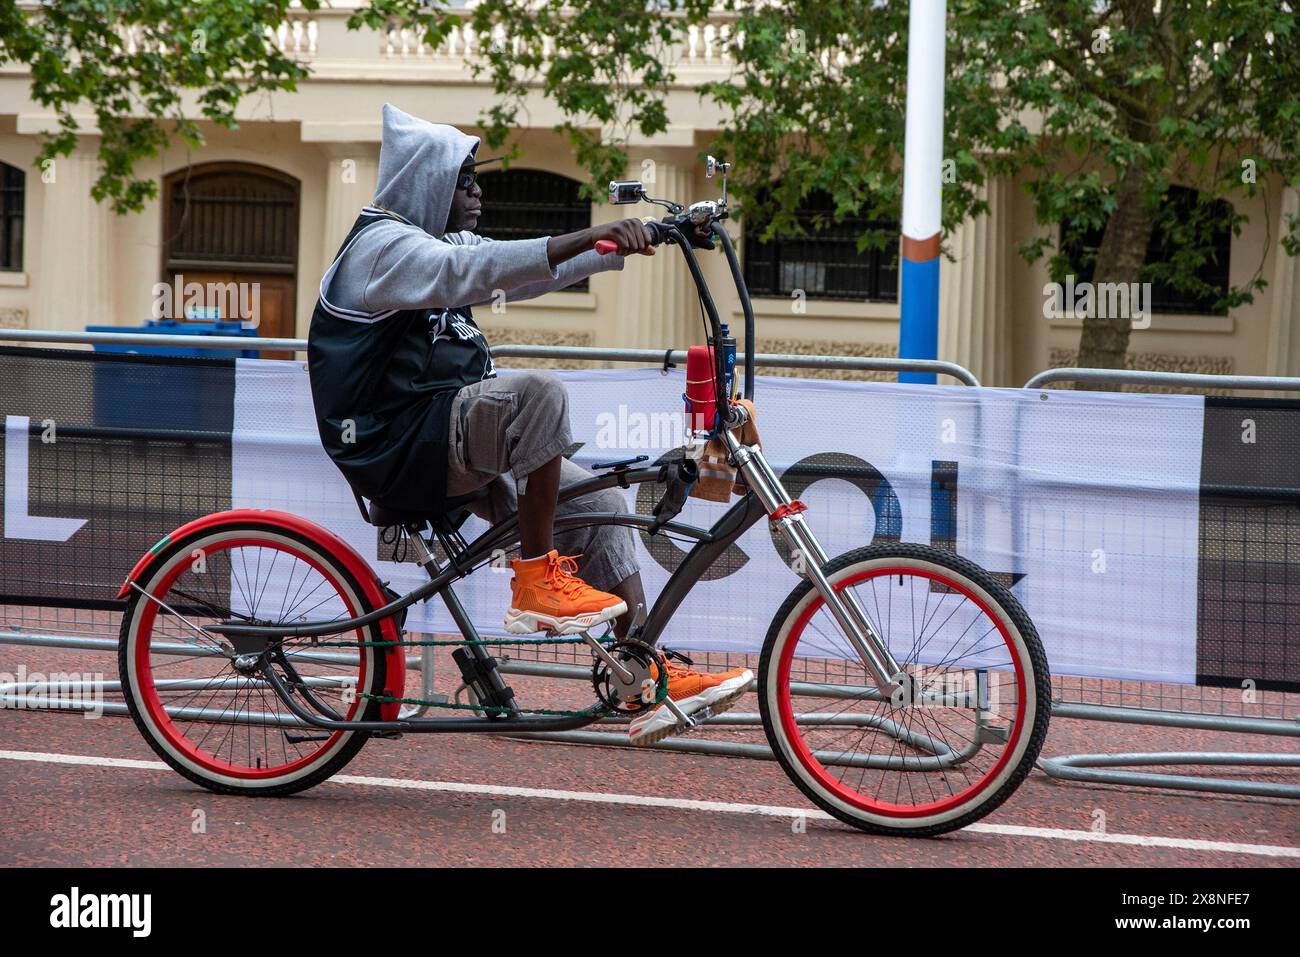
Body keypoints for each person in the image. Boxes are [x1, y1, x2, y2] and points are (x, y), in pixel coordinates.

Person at [308, 104, 753, 744]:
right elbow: (477, 271)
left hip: (445, 433)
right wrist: (598, 229)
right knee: (536, 393)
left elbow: (514, 270)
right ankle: (536, 581)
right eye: (466, 181)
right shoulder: (383, 250)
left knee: (599, 498)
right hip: (400, 442)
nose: (478, 192)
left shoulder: (432, 244)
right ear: (428, 184)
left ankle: (642, 677)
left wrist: (632, 238)